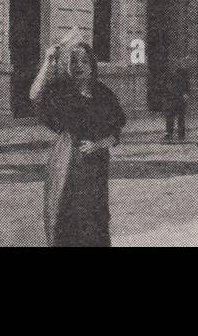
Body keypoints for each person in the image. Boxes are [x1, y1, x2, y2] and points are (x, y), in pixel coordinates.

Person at [30, 41, 126, 247]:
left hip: (95, 167)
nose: (79, 66)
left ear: (92, 64)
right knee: (64, 215)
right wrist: (48, 61)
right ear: (68, 66)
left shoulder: (103, 94)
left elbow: (116, 130)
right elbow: (35, 95)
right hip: (66, 162)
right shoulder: (62, 92)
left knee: (95, 218)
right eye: (73, 62)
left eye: (84, 60)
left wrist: (99, 144)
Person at [163, 63, 189, 142]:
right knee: (170, 116)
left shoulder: (184, 73)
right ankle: (169, 133)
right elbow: (165, 85)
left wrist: (186, 93)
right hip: (171, 98)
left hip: (180, 97)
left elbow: (187, 84)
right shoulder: (168, 73)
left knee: (180, 117)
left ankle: (181, 134)